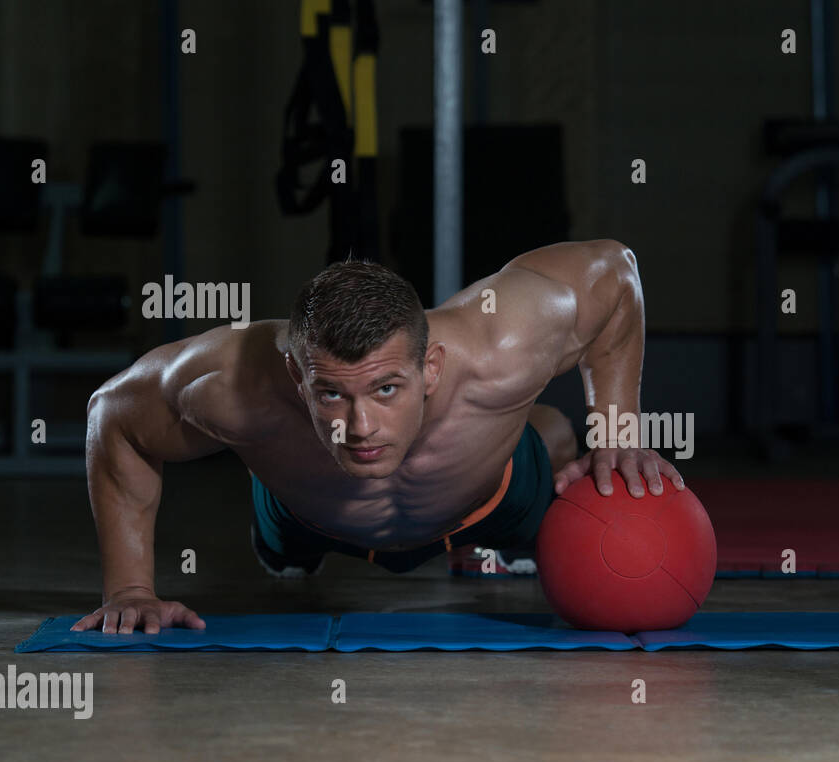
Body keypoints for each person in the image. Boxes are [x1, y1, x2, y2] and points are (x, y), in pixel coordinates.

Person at [73, 240, 683, 634]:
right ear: (295, 375)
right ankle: (281, 531)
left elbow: (616, 276)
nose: (360, 428)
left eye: (386, 390)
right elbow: (114, 419)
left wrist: (617, 431)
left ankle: (544, 431)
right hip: (309, 515)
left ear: (432, 368)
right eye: (332, 394)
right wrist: (130, 589)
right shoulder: (233, 382)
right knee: (279, 546)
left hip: (489, 501)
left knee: (548, 438)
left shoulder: (503, 345)